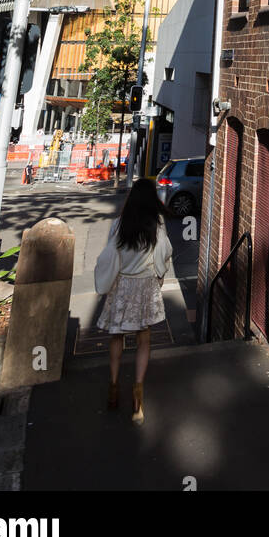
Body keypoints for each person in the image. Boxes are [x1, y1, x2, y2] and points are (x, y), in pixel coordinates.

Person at [97, 177, 173, 422]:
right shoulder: (156, 225)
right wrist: (159, 275)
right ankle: (138, 394)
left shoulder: (119, 224)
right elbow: (163, 255)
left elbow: (110, 254)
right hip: (145, 286)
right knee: (144, 340)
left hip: (122, 284)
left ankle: (113, 384)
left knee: (116, 336)